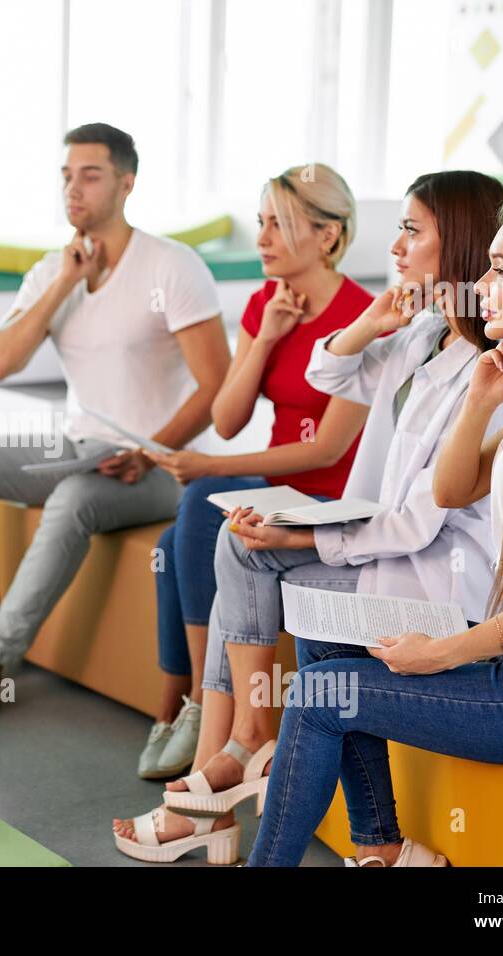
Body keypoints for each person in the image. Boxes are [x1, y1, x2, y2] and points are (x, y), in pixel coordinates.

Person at [114, 170, 503, 863]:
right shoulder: (426, 334)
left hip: (442, 581)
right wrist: (368, 323)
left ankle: (247, 762)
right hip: (391, 547)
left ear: (460, 247)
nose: (395, 246)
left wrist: (302, 536)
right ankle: (246, 742)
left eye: (412, 230)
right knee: (238, 547)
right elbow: (327, 375)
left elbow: (421, 522)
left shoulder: (496, 371)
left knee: (286, 582)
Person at [248, 193, 503, 866]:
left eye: (500, 269)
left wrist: (445, 652)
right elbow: (451, 487)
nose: (481, 287)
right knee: (327, 631)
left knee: (319, 698)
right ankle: (381, 849)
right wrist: (480, 400)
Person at [0, 123, 230, 726]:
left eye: (90, 175)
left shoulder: (171, 266)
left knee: (76, 497)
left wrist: (149, 450)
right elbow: (0, 360)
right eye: (66, 176)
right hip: (79, 444)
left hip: (162, 466)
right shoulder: (54, 272)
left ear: (126, 183)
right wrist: (64, 282)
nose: (73, 189)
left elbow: (218, 387)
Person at [134, 164, 373, 781]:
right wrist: (266, 339)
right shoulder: (265, 303)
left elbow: (326, 450)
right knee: (172, 544)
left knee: (203, 497)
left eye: (279, 224)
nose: (261, 237)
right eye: (261, 221)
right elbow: (229, 416)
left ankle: (199, 708)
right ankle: (177, 705)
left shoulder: (363, 315)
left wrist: (210, 464)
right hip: (273, 487)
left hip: (329, 496)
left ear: (327, 235)